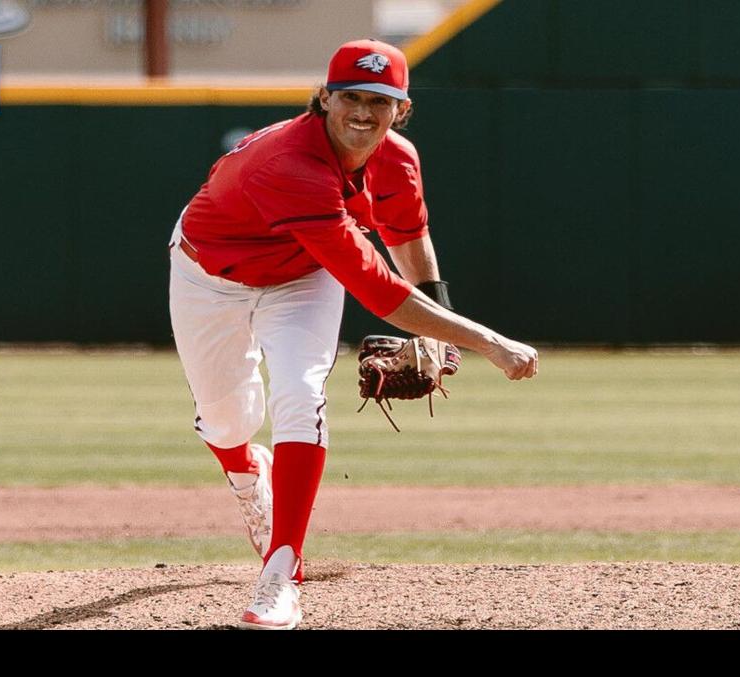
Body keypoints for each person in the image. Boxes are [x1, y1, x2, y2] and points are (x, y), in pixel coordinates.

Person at [168, 38, 538, 630]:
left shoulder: (398, 158)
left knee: (299, 394)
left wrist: (439, 324)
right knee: (227, 419)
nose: (364, 112)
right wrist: (489, 342)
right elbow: (380, 293)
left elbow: (407, 240)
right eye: (351, 98)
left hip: (301, 281)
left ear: (402, 109)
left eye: (381, 101)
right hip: (209, 276)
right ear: (324, 99)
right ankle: (245, 475)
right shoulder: (288, 163)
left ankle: (281, 573)